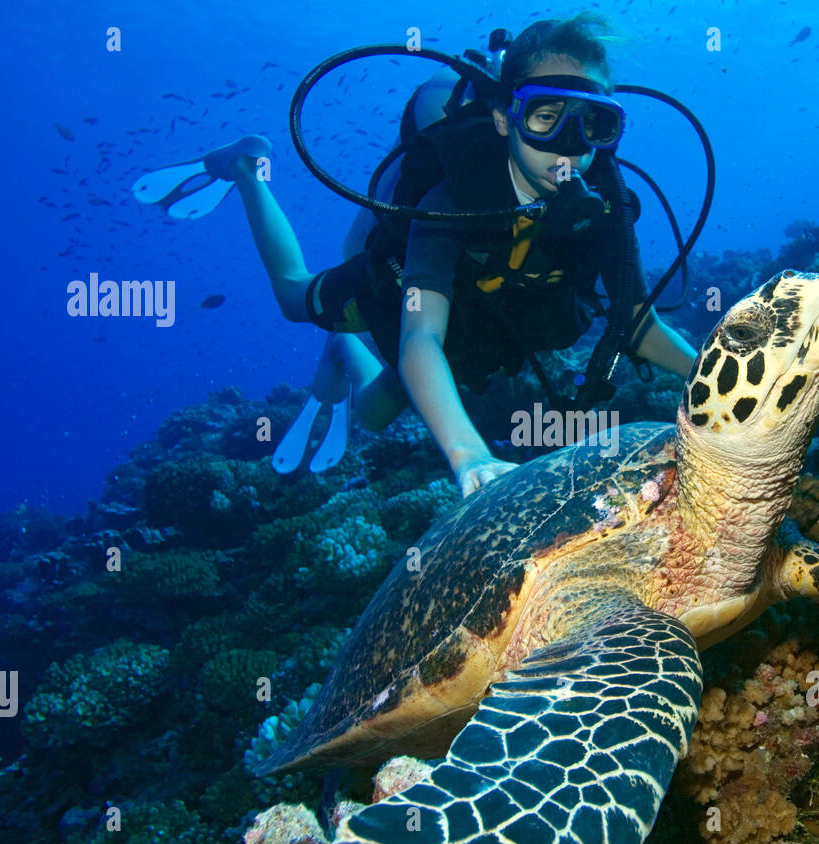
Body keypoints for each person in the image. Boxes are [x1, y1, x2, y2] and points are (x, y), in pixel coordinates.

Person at [143, 15, 698, 495]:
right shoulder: (452, 198)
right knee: (296, 298)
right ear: (505, 118)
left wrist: (705, 375)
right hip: (408, 302)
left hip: (481, 327)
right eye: (545, 117)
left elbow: (634, 316)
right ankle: (244, 175)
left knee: (377, 414)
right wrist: (469, 456)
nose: (568, 146)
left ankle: (347, 357)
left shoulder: (606, 207)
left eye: (593, 123)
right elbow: (421, 338)